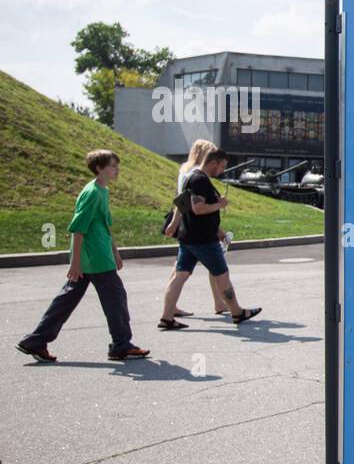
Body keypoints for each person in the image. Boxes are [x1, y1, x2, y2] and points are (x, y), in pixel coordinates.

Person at [16, 150, 150, 362]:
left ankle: (36, 341)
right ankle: (121, 345)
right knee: (116, 298)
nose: (117, 171)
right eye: (113, 166)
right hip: (94, 258)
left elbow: (104, 225)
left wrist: (115, 251)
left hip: (99, 255)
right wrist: (75, 263)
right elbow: (78, 229)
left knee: (66, 301)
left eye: (117, 166)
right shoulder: (92, 193)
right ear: (99, 168)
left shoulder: (102, 191)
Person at [159, 147, 261, 328]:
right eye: (221, 166)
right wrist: (220, 204)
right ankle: (237, 312)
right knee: (222, 275)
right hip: (204, 240)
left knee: (180, 276)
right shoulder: (200, 180)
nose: (222, 170)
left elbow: (183, 206)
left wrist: (219, 231)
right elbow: (199, 209)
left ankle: (166, 317)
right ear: (213, 163)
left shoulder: (192, 177)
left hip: (188, 237)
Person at [162, 138, 228, 317]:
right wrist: (175, 223)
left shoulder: (189, 171)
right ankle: (221, 303)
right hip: (195, 227)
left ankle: (171, 307)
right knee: (209, 266)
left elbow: (181, 200)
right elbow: (184, 202)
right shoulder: (195, 175)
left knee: (182, 269)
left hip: (189, 224)